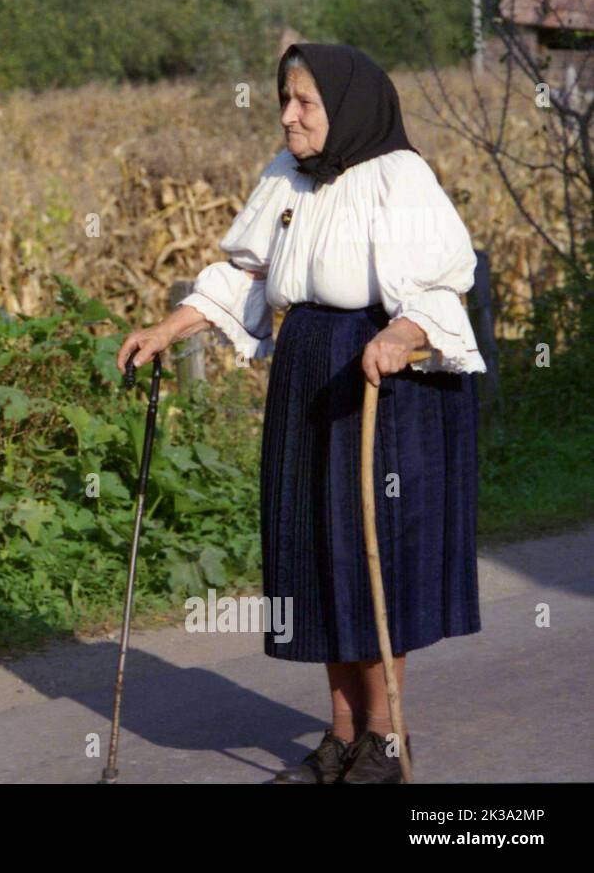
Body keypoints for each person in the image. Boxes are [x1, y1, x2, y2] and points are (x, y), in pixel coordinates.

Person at [116, 43, 486, 784]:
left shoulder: (398, 177)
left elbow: (444, 288)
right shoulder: (288, 176)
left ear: (345, 108)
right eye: (285, 99)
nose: (287, 116)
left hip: (381, 380)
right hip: (308, 367)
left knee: (374, 551)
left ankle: (386, 737)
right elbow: (245, 271)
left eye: (304, 103)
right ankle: (340, 735)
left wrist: (400, 334)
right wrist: (168, 329)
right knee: (316, 551)